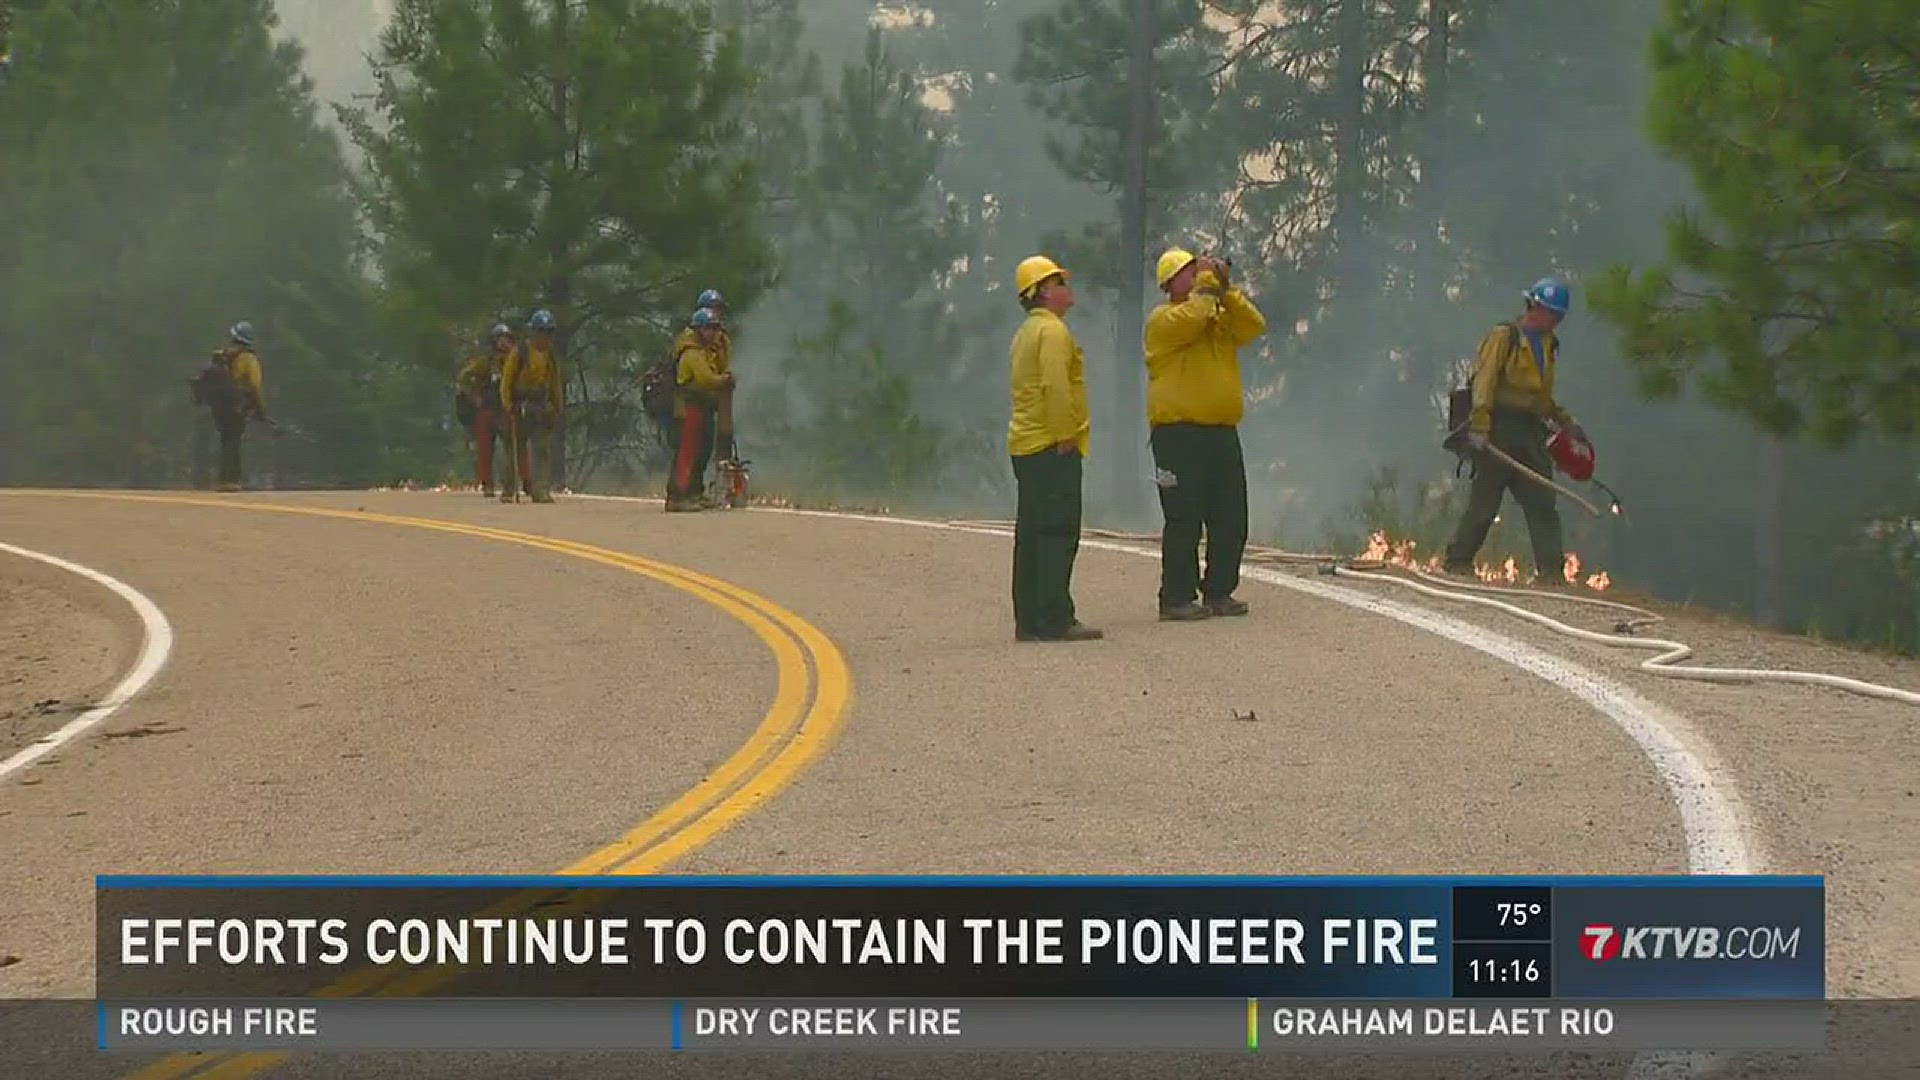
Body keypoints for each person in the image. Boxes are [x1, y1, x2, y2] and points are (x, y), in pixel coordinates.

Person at [1143, 248, 1266, 621]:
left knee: (1231, 514)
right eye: (1190, 271)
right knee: (1184, 515)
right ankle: (1176, 596)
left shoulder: (1214, 316)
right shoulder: (1164, 320)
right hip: (1178, 434)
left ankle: (1219, 590)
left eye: (1199, 269)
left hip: (1221, 432)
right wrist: (1209, 286)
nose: (1198, 274)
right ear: (1170, 282)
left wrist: (1226, 290)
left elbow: (1254, 324)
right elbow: (1192, 316)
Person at [1443, 276, 1585, 579]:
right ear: (1534, 307)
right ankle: (1457, 562)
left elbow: (1541, 397)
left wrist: (1566, 421)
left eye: (1559, 316)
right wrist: (1480, 425)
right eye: (1552, 313)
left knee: (1542, 504)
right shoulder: (1504, 337)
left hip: (1529, 433)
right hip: (1498, 429)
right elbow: (1485, 381)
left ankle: (1551, 574)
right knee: (1484, 503)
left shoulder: (1547, 345)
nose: (1556, 320)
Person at [1007, 256, 1101, 643]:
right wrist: (1066, 436)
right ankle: (1056, 617)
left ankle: (1029, 620)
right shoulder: (1053, 333)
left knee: (1030, 534)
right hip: (1051, 446)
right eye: (1062, 281)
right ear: (1045, 290)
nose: (1068, 288)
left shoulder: (1026, 332)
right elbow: (1055, 386)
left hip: (1026, 446)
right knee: (1058, 533)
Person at [667, 307, 733, 512]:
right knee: (687, 451)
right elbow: (706, 379)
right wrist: (724, 380)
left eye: (714, 328)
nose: (712, 332)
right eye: (708, 328)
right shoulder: (691, 352)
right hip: (689, 406)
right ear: (698, 330)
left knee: (701, 451)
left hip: (702, 406)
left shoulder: (708, 350)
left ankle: (694, 492)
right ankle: (678, 496)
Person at [189, 322, 267, 492]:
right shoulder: (249, 359)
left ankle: (223, 479)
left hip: (218, 405)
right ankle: (231, 480)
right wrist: (259, 409)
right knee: (233, 442)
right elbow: (254, 385)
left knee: (225, 440)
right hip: (238, 405)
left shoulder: (221, 357)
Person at [498, 309, 563, 504]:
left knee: (542, 449)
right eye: (541, 331)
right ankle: (509, 488)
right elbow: (507, 380)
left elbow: (555, 383)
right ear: (533, 332)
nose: (545, 336)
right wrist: (508, 404)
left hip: (540, 405)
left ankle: (540, 490)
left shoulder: (550, 356)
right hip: (521, 405)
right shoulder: (520, 353)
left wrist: (556, 406)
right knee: (515, 449)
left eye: (548, 332)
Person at [456, 323, 513, 496]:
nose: (503, 343)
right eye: (500, 339)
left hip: (507, 409)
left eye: (506, 339)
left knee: (515, 447)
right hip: (488, 409)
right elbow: (463, 377)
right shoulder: (484, 362)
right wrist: (474, 397)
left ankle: (518, 482)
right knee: (485, 449)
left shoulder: (515, 360)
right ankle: (487, 483)